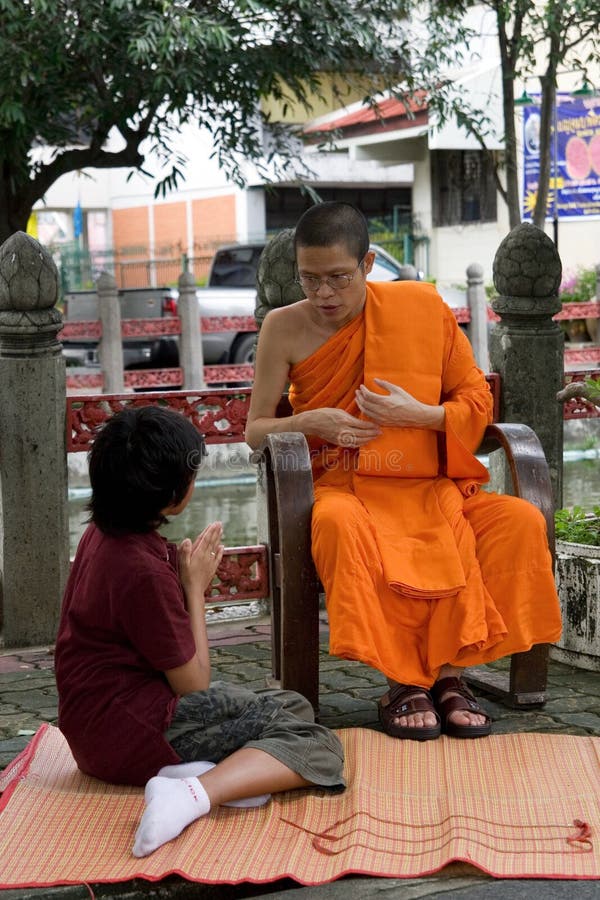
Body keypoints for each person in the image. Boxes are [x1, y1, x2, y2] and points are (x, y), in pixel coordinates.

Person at [245, 201, 562, 743]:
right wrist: (310, 421)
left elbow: (474, 399)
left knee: (517, 521)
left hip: (426, 482)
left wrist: (424, 416)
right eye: (310, 279)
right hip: (341, 484)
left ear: (368, 265)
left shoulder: (420, 310)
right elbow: (254, 430)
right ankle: (404, 682)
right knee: (342, 526)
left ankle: (447, 677)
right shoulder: (284, 327)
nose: (323, 294)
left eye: (338, 278)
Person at [54, 406, 345, 858]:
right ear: (173, 497)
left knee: (292, 705)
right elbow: (194, 683)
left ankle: (195, 773)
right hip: (132, 734)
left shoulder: (103, 533)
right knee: (317, 743)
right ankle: (195, 793)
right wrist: (194, 588)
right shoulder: (141, 572)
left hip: (96, 728)